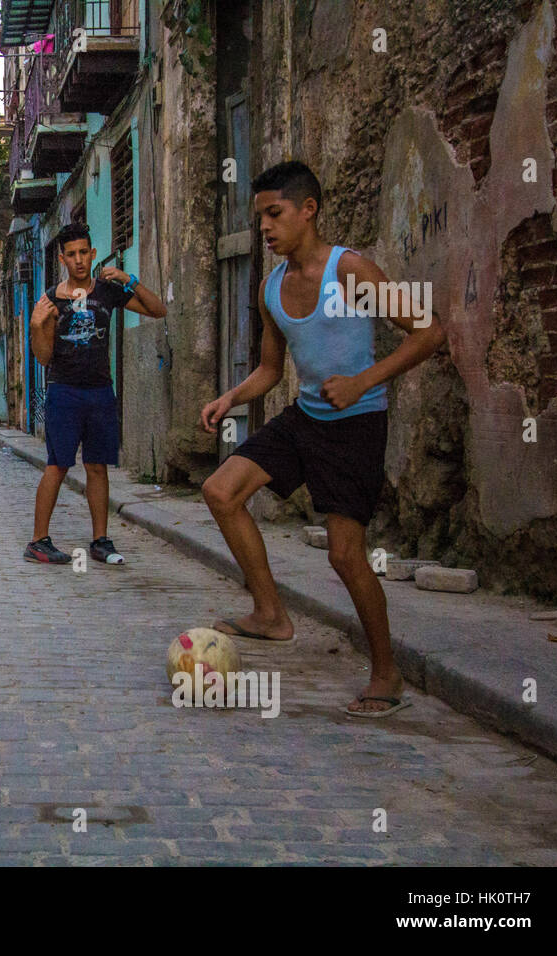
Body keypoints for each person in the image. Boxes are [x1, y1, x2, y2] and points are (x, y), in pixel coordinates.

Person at [199, 161, 446, 717]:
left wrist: (364, 379)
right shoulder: (270, 287)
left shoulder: (350, 270)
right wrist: (229, 399)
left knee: (344, 555)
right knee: (221, 491)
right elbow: (269, 370)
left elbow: (428, 330)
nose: (264, 227)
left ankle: (387, 673)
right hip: (305, 417)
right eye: (259, 216)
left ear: (308, 210)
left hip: (356, 425)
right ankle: (270, 614)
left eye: (274, 213)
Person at [27, 221, 166, 566]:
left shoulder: (106, 291)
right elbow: (44, 357)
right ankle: (38, 541)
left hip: (101, 392)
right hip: (64, 392)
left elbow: (158, 309)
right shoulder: (51, 299)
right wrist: (36, 326)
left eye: (83, 253)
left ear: (91, 254)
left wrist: (128, 280)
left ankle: (100, 541)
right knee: (57, 466)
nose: (78, 260)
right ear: (62, 258)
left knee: (97, 466)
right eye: (71, 254)